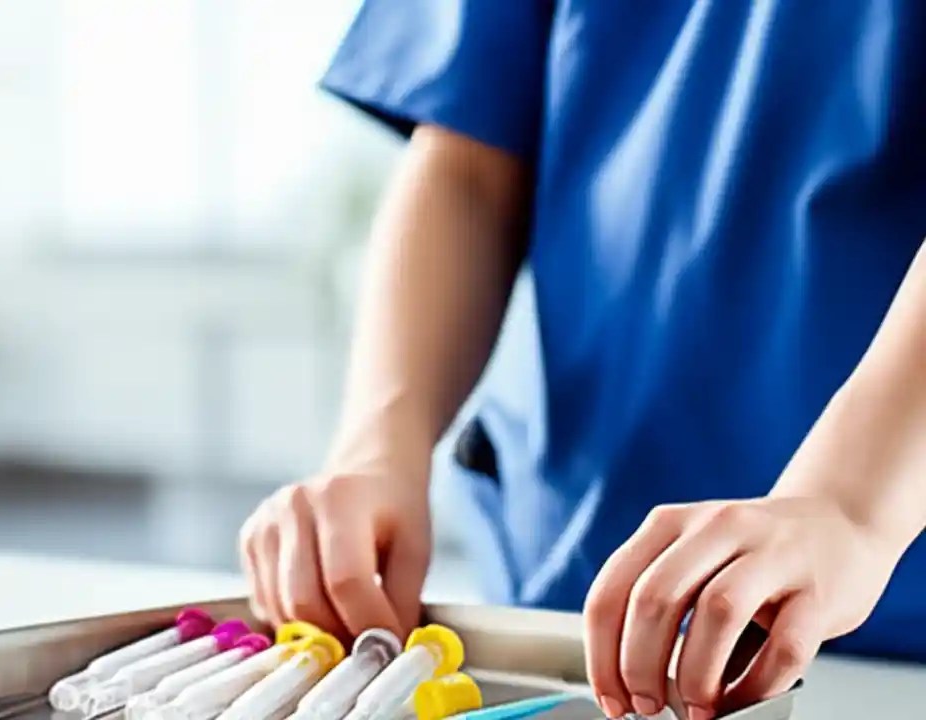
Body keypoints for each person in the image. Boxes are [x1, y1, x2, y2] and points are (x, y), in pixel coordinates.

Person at [238, 3, 926, 719]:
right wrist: (379, 447)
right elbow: (469, 153)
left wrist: (851, 507)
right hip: (563, 601)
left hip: (889, 643)